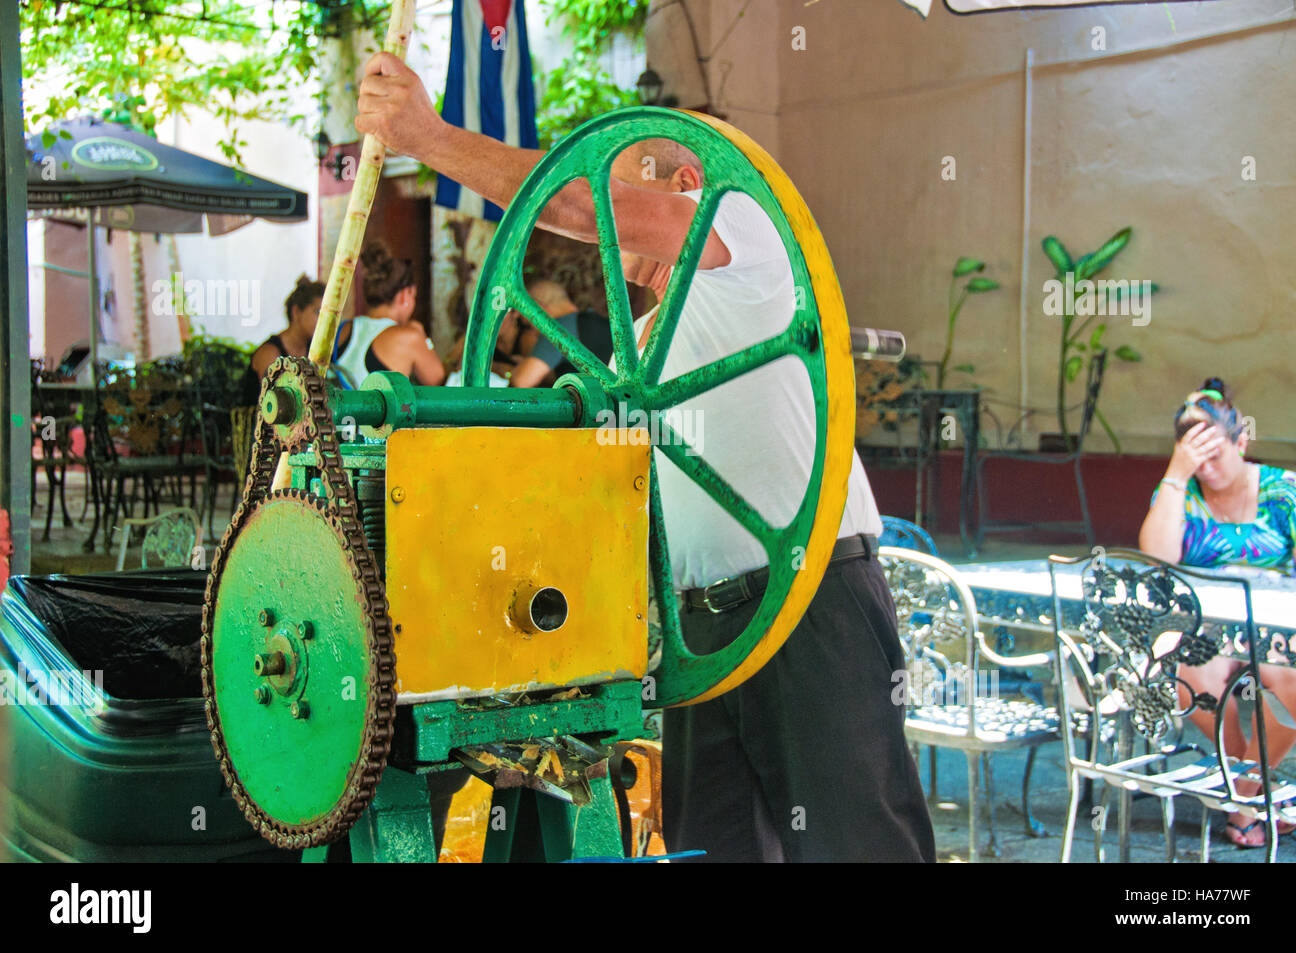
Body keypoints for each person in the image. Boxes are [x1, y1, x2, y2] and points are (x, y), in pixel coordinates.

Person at [355, 53, 935, 862]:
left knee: (858, 844)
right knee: (714, 845)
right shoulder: (653, 338)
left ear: (687, 177)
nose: (625, 250)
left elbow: (574, 199)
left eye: (633, 206)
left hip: (810, 604)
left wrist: (430, 137)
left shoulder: (747, 224)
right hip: (706, 629)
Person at [1138, 378, 1296, 847]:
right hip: (1205, 622)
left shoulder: (1283, 490)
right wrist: (1177, 472)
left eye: (1217, 454)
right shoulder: (1179, 492)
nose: (1207, 469)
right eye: (1196, 457)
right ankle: (1247, 790)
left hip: (1275, 620)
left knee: (1294, 683)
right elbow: (1160, 559)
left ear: (1242, 440)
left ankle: (1243, 792)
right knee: (1192, 681)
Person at [332, 242, 446, 387]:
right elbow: (441, 386)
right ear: (406, 295)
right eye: (414, 296)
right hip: (370, 411)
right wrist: (423, 337)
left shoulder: (343, 328)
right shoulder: (409, 337)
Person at [507, 279, 613, 388]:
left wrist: (505, 370)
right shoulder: (592, 320)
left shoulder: (558, 329)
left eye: (528, 326)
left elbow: (520, 382)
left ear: (537, 308)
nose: (533, 333)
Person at [242, 275, 325, 402]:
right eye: (318, 312)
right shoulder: (269, 353)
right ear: (296, 312)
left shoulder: (314, 350)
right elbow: (279, 403)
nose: (324, 321)